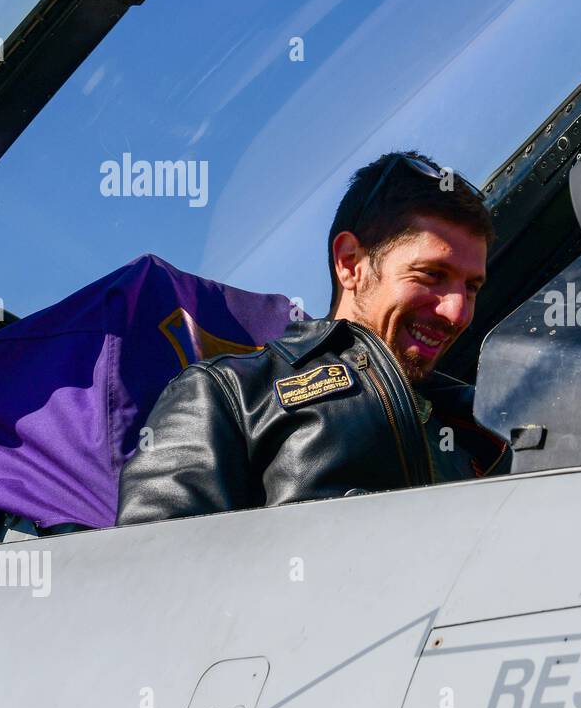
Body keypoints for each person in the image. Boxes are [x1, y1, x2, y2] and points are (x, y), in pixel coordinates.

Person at [117, 151, 508, 525]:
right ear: (350, 263)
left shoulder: (484, 427)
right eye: (430, 275)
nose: (457, 312)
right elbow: (154, 572)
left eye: (472, 287)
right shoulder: (231, 398)